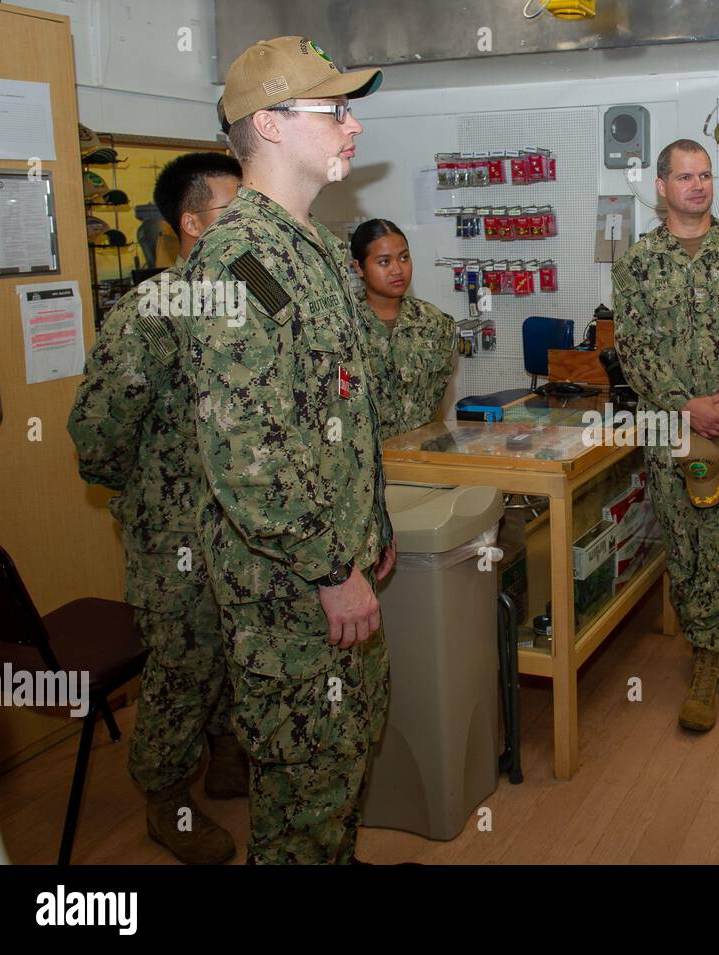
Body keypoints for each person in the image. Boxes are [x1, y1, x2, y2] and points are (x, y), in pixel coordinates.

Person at [181, 36, 429, 865]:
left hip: (340, 560)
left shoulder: (315, 247)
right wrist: (331, 568)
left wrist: (374, 524)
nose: (353, 126)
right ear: (271, 125)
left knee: (344, 757)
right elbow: (248, 452)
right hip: (290, 591)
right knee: (303, 788)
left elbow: (339, 413)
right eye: (335, 109)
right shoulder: (237, 258)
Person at [68, 151, 243, 865]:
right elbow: (96, 434)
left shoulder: (258, 288)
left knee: (239, 646)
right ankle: (166, 793)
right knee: (183, 662)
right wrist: (155, 496)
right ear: (191, 224)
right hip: (176, 533)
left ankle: (229, 750)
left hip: (247, 526)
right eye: (236, 212)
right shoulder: (152, 310)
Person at [613, 138, 719, 732]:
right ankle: (703, 638)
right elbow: (632, 351)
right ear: (661, 187)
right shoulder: (636, 263)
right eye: (684, 177)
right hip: (669, 429)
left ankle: (710, 661)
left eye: (705, 175)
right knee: (681, 543)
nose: (697, 186)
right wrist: (686, 406)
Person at [350, 218, 456, 425]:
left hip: (420, 450)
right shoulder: (344, 326)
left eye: (404, 258)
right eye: (384, 262)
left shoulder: (434, 323)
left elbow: (435, 398)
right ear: (359, 268)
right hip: (364, 455)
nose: (398, 270)